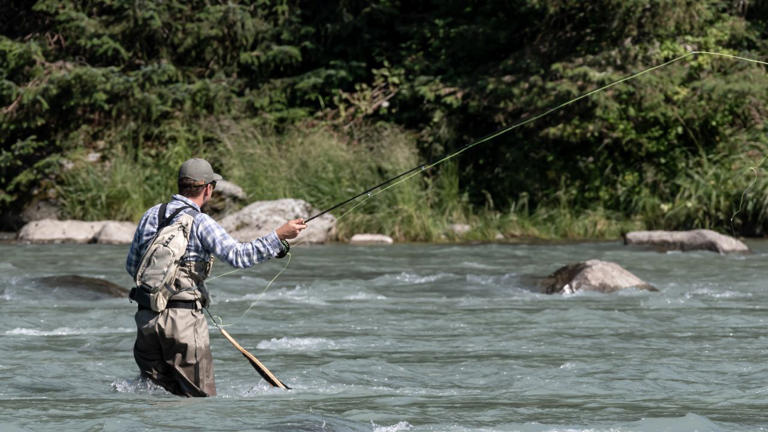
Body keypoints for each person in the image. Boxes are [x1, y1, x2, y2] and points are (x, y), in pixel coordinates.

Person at [125, 158, 306, 397]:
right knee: (200, 403)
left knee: (157, 400)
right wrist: (278, 236)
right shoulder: (200, 222)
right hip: (183, 324)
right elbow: (239, 256)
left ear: (181, 185)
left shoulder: (151, 215)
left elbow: (132, 266)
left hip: (146, 320)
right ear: (208, 189)